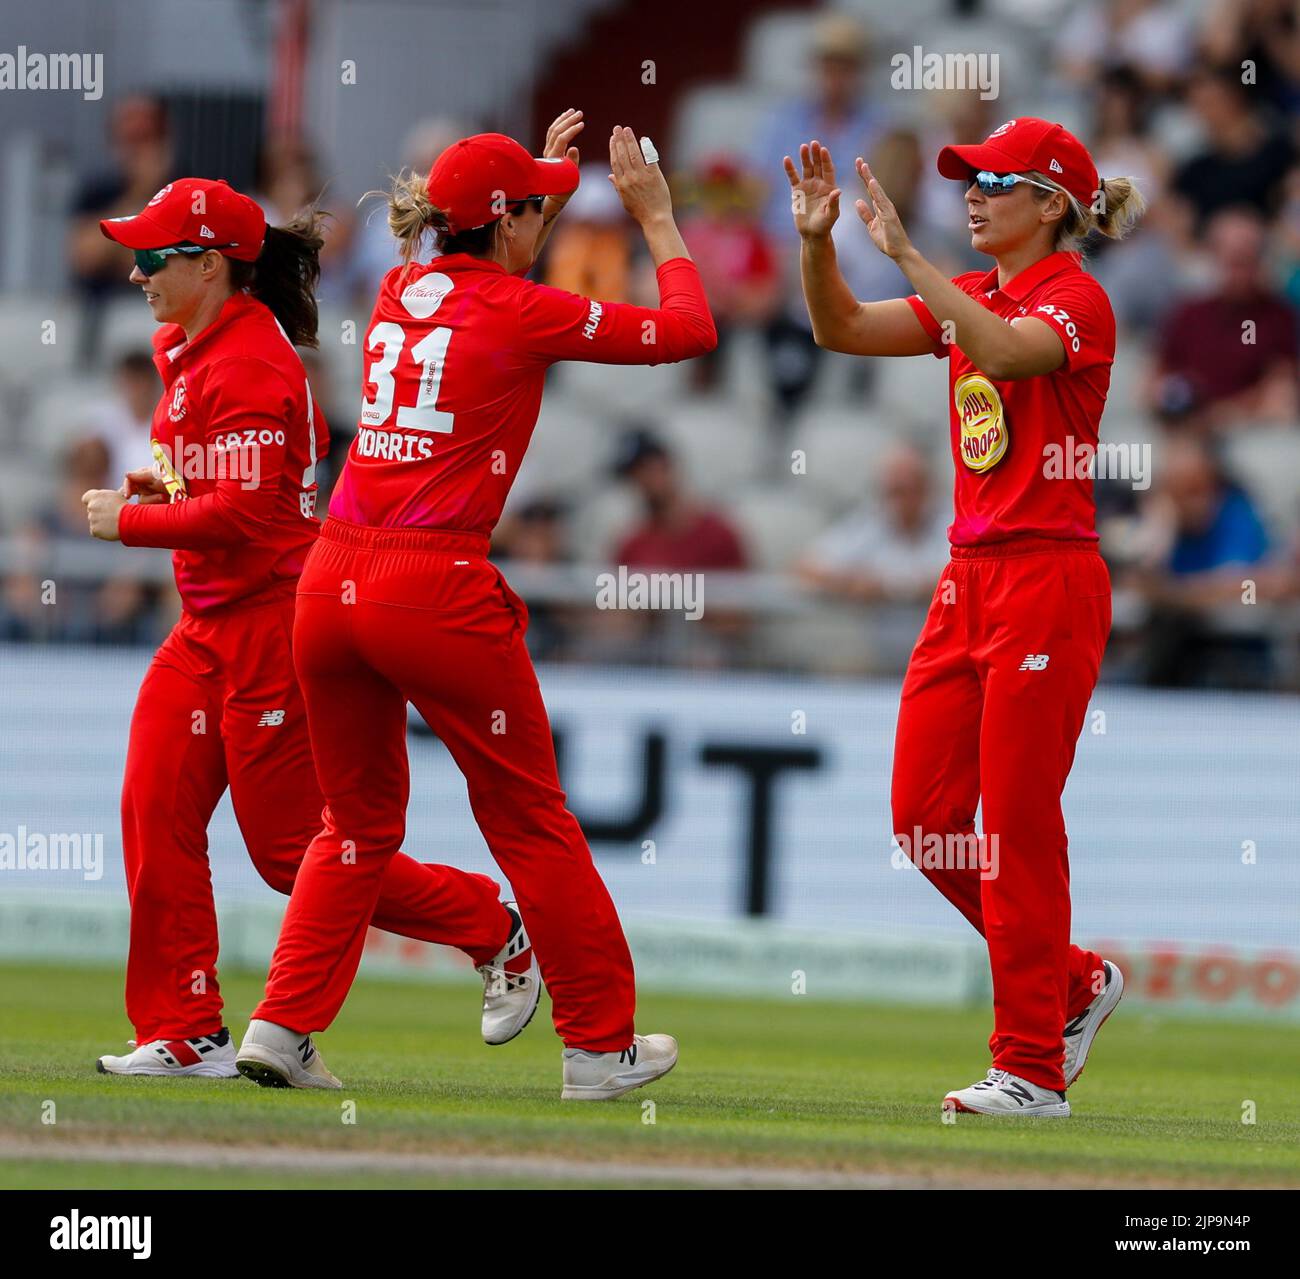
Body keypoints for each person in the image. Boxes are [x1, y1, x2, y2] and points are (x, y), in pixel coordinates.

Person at [234, 120, 716, 1100]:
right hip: (431, 583)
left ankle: (281, 1026)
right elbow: (688, 331)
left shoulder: (397, 284)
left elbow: (473, 240)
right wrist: (659, 223)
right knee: (530, 816)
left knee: (354, 823)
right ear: (507, 222)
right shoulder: (524, 306)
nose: (544, 217)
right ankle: (598, 1047)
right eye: (534, 205)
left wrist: (523, 175)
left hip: (331, 581)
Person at [80, 177, 525, 1078]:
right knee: (152, 807)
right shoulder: (184, 345)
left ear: (211, 265)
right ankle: (184, 1026)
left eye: (152, 257)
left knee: (293, 856)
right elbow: (218, 484)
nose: (136, 274)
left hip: (273, 624)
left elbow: (246, 514)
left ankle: (491, 923)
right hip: (206, 623)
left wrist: (128, 522)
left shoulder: (248, 361)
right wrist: (159, 493)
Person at [788, 117, 1145, 1116]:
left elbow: (1004, 350)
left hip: (1046, 578)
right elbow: (841, 329)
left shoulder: (1077, 300)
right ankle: (1071, 983)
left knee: (1017, 824)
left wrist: (905, 253)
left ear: (1051, 204)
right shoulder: (974, 294)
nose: (973, 194)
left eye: (995, 181)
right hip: (969, 577)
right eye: (968, 180)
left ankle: (1030, 1067)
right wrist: (819, 245)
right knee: (924, 819)